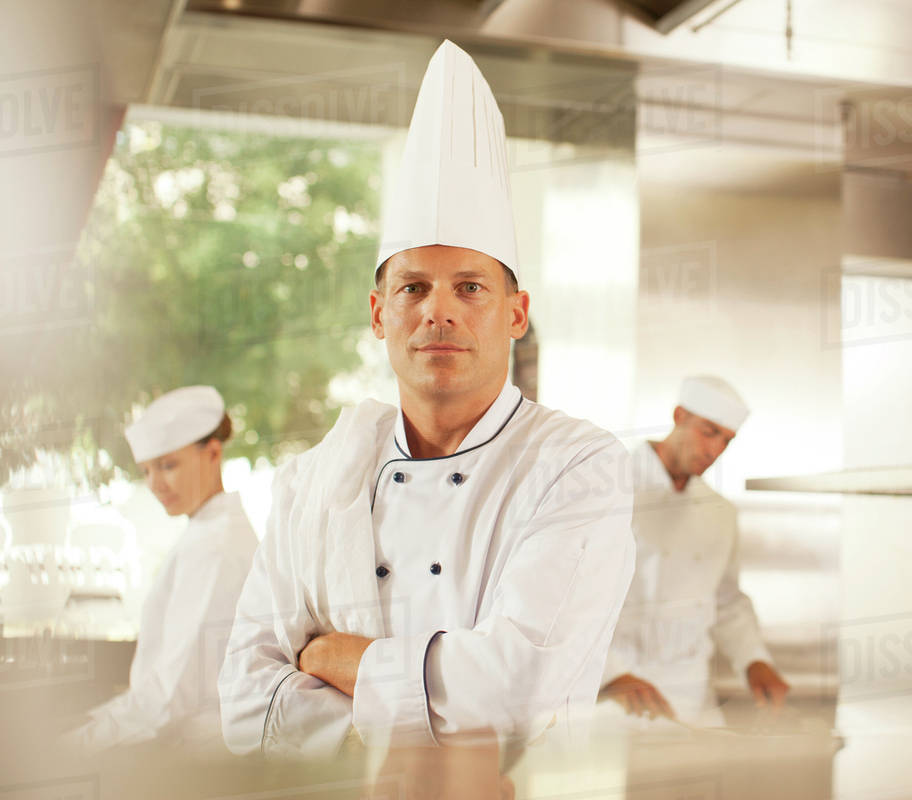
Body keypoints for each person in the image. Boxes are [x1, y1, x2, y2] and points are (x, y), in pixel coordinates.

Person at [218, 40, 635, 759]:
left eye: (470, 286)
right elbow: (243, 705)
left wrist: (332, 659)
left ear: (515, 312)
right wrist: (434, 713)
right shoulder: (313, 482)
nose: (438, 312)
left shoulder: (578, 466)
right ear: (380, 313)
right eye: (413, 287)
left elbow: (520, 690)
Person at [62, 385, 258, 753]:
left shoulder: (216, 547)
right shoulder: (206, 530)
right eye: (146, 470)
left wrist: (73, 746)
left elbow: (170, 699)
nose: (155, 485)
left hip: (188, 755)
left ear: (212, 453)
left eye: (168, 466)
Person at [599, 376, 790, 725]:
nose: (714, 451)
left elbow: (725, 599)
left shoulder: (719, 512)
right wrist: (610, 675)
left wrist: (754, 660)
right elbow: (563, 599)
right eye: (709, 432)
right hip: (616, 695)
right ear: (679, 416)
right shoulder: (605, 487)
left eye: (727, 441)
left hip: (693, 701)